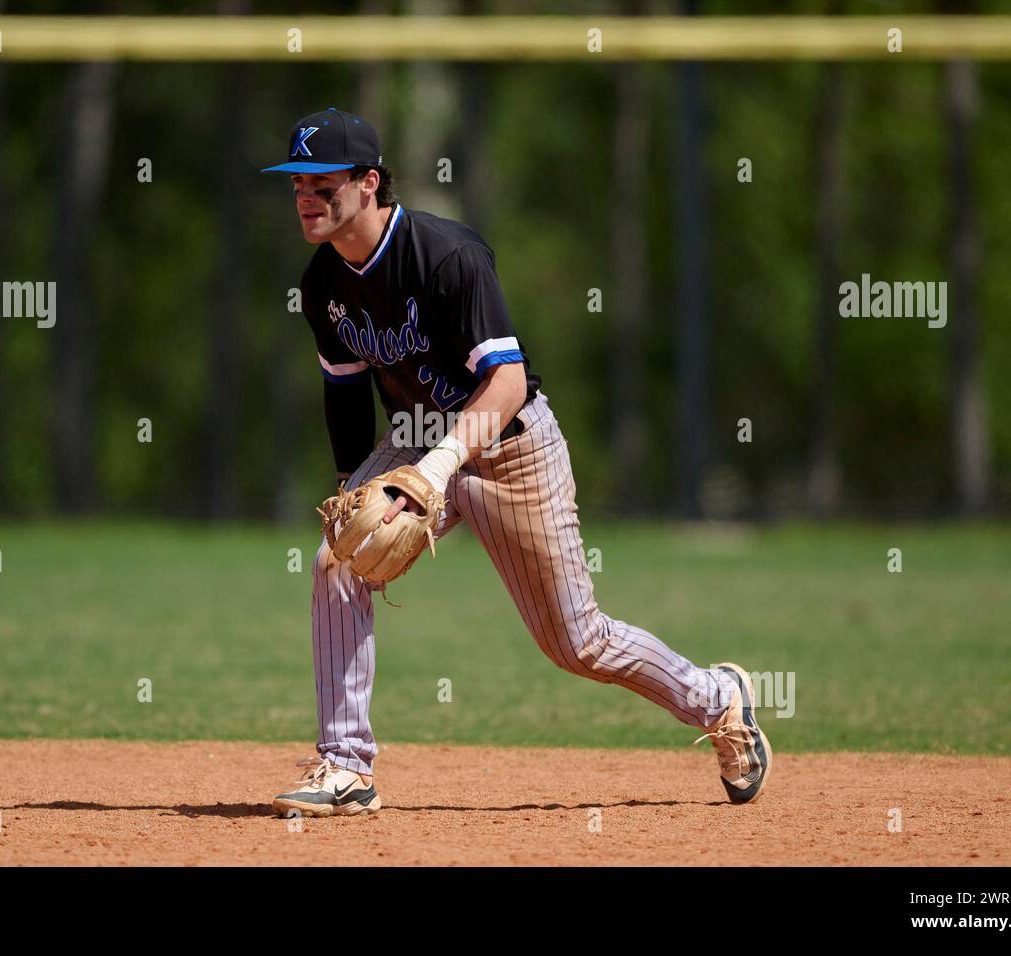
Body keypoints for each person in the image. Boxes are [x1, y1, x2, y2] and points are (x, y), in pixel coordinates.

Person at [261, 108, 770, 818]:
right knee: (338, 556)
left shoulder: (446, 256)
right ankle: (346, 766)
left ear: (370, 182)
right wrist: (353, 488)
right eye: (295, 184)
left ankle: (719, 698)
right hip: (416, 436)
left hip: (510, 444)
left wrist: (437, 471)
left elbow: (505, 382)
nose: (304, 197)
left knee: (576, 641)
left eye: (320, 181)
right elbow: (344, 387)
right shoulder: (323, 284)